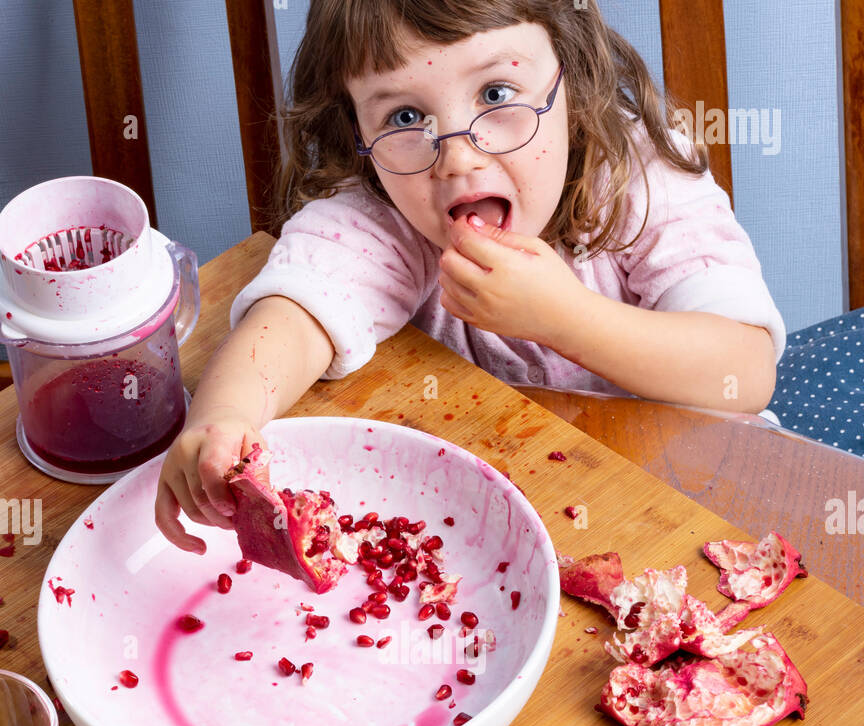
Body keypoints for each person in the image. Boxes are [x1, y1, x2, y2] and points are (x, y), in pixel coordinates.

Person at [155, 0, 785, 554]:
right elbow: (290, 322)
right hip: (511, 531)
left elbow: (744, 374)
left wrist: (566, 320)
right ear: (359, 133)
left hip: (695, 506)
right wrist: (224, 416)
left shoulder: (641, 178)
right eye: (404, 117)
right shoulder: (385, 214)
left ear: (572, 70)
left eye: (494, 95)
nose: (457, 155)